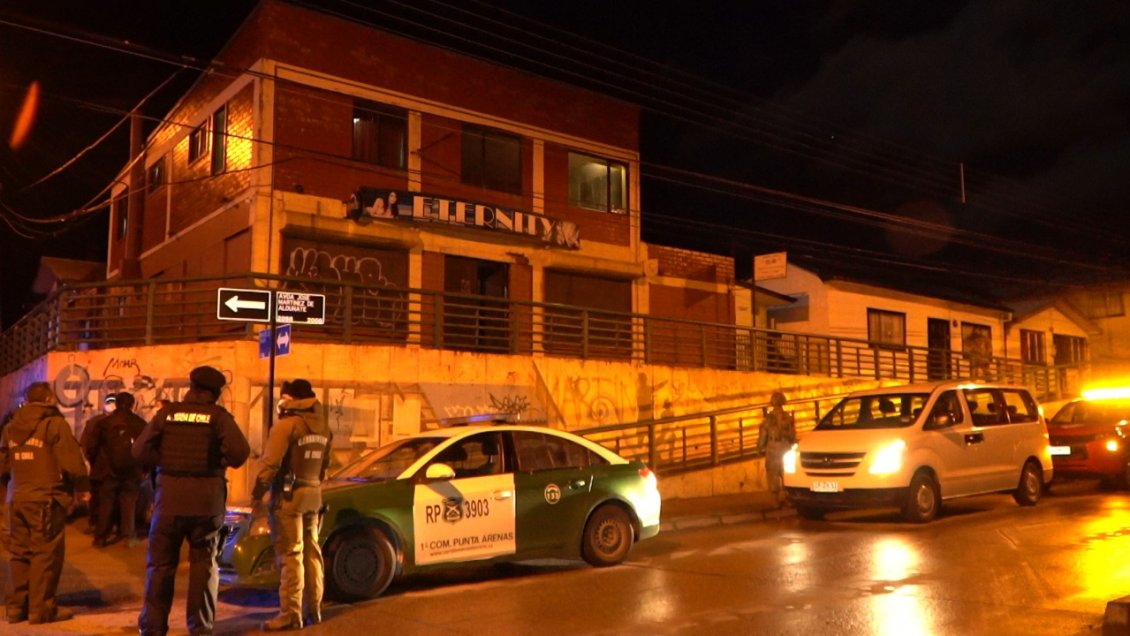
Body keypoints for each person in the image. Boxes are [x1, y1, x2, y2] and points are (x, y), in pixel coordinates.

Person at [133, 366, 250, 636]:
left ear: (191, 386)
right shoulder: (219, 418)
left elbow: (138, 451)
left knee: (160, 566)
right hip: (206, 504)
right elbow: (239, 454)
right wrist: (216, 461)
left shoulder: (167, 415)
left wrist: (163, 464)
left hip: (169, 502)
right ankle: (200, 628)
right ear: (216, 393)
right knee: (204, 566)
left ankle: (153, 627)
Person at [0, 381, 90, 624]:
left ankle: (16, 608)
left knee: (19, 553)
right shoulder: (54, 424)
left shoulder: (10, 428)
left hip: (17, 498)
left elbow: (4, 466)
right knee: (45, 553)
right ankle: (42, 609)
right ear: (50, 399)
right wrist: (82, 487)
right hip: (46, 499)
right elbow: (72, 462)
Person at [254, 379, 332, 631]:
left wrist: (257, 492)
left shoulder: (287, 426)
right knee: (312, 552)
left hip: (288, 498)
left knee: (291, 555)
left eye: (284, 396)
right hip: (314, 496)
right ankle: (315, 609)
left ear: (292, 399)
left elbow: (270, 464)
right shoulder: (323, 427)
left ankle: (290, 613)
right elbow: (325, 464)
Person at [86, 392, 147, 548]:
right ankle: (129, 535)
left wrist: (95, 464)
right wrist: (145, 468)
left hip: (108, 470)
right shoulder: (140, 423)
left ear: (116, 404)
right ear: (133, 404)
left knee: (107, 502)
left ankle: (101, 537)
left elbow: (92, 447)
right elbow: (147, 448)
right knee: (129, 502)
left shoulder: (104, 423)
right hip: (132, 470)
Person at [79, 393, 118, 535]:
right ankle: (101, 524)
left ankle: (97, 523)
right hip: (106, 467)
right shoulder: (96, 422)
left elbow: (85, 444)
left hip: (99, 466)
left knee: (99, 497)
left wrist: (91, 460)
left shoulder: (95, 422)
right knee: (102, 497)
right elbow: (85, 444)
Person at [758, 391, 797, 508]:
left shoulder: (768, 419)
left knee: (772, 473)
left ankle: (775, 501)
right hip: (785, 447)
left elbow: (763, 436)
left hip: (773, 448)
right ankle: (788, 499)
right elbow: (792, 436)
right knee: (786, 473)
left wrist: (760, 448)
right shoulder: (788, 418)